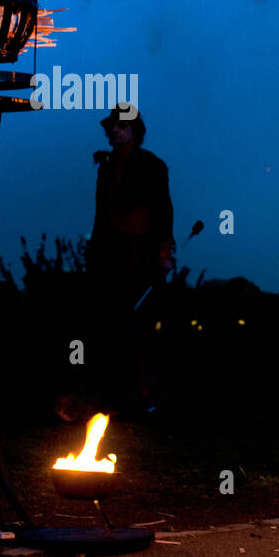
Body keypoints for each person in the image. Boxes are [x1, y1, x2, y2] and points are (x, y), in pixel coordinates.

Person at [86, 106, 175, 417]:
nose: (113, 131)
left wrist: (163, 253)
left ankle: (147, 394)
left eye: (120, 126)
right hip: (109, 253)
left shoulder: (152, 166)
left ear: (134, 131)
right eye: (111, 126)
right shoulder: (107, 166)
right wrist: (94, 251)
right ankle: (117, 394)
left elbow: (163, 210)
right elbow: (101, 214)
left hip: (139, 253)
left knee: (139, 325)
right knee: (111, 324)